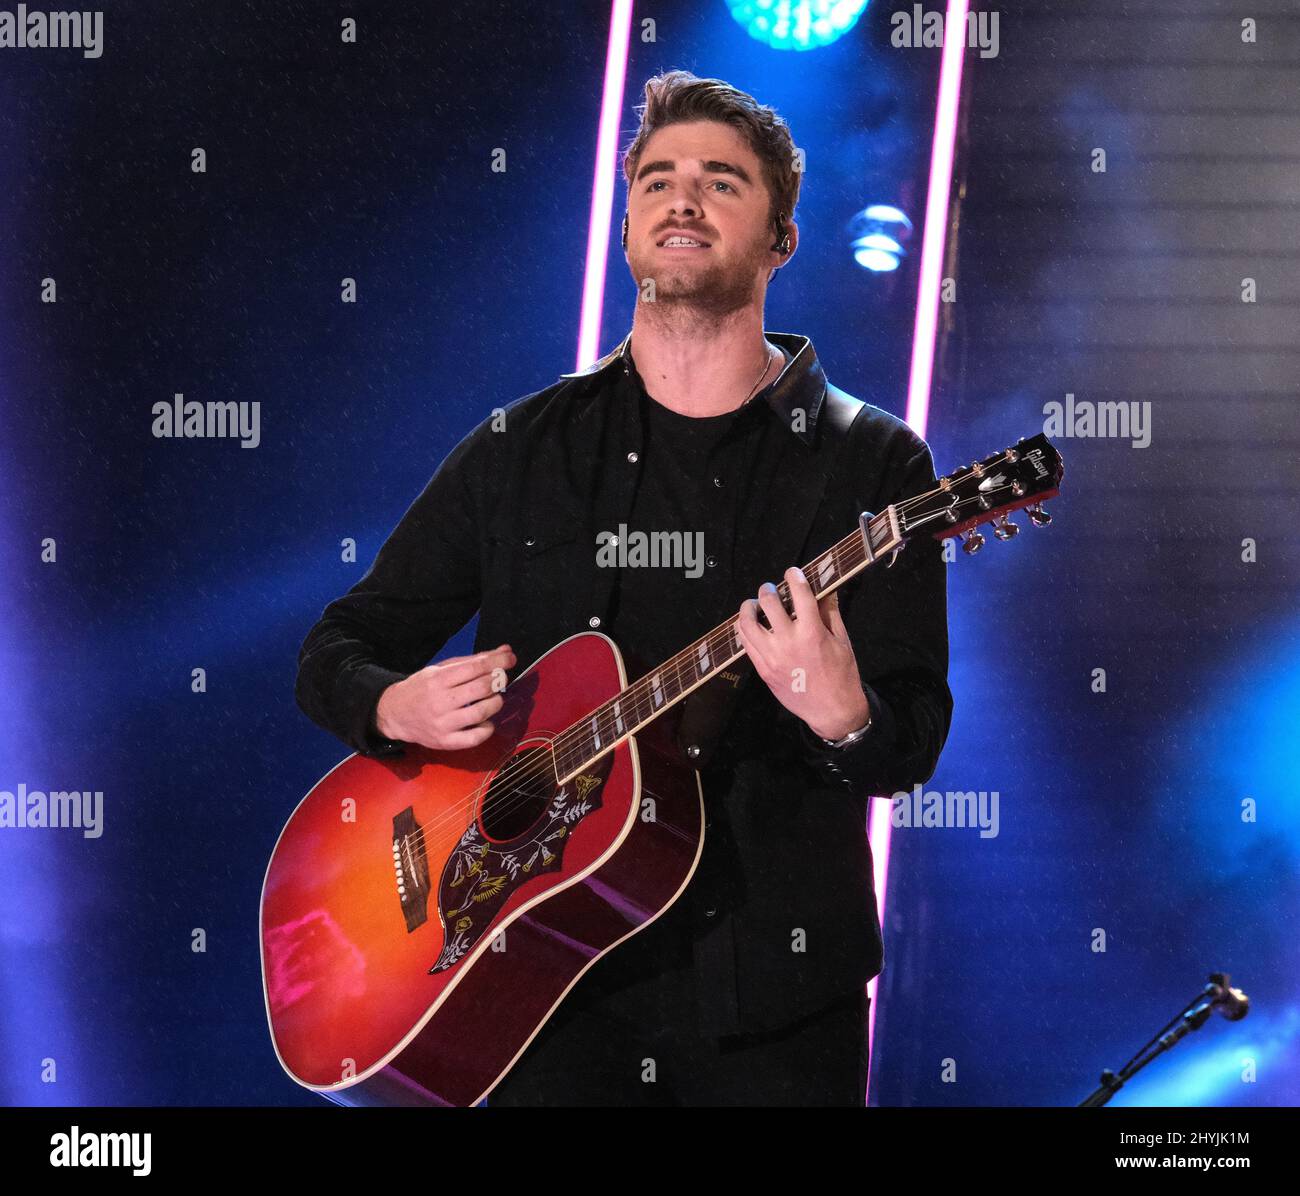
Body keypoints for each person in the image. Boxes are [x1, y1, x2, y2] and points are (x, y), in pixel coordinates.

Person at [295, 70, 952, 1106]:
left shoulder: (872, 465)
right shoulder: (519, 446)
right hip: (530, 988)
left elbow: (907, 742)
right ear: (626, 224)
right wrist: (391, 701)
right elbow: (337, 645)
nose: (682, 199)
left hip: (771, 1001)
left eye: (722, 182)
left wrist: (840, 709)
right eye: (658, 180)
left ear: (782, 239)